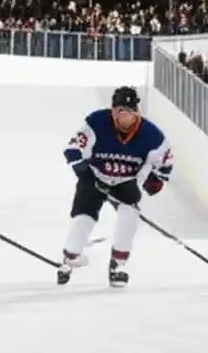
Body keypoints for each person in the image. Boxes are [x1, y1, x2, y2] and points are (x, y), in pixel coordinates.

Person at [58, 86, 173, 287]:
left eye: (129, 111)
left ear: (137, 112)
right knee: (84, 217)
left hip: (126, 182)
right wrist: (86, 175)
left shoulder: (153, 137)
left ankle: (117, 265)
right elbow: (72, 150)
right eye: (120, 111)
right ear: (113, 111)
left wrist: (152, 182)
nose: (125, 117)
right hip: (95, 175)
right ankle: (71, 257)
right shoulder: (96, 122)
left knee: (129, 214)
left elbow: (164, 168)